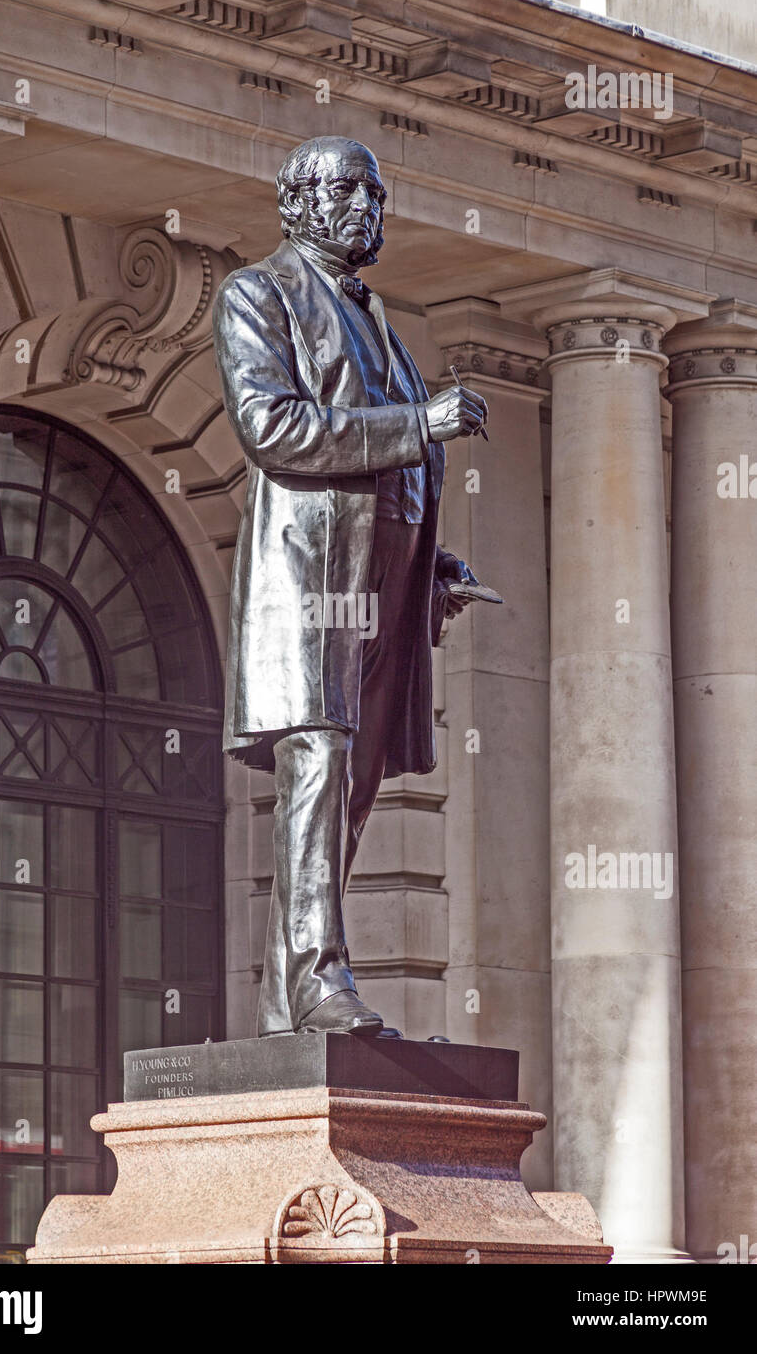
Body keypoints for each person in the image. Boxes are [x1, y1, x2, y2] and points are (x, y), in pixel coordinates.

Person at [213, 136, 493, 1037]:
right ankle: (319, 981)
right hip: (307, 582)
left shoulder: (377, 319)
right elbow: (275, 428)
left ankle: (287, 1001)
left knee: (350, 782)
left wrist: (432, 568)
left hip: (384, 589)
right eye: (344, 190)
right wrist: (421, 422)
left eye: (375, 192)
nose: (365, 206)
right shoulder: (259, 293)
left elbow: (392, 475)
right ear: (294, 202)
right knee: (320, 762)